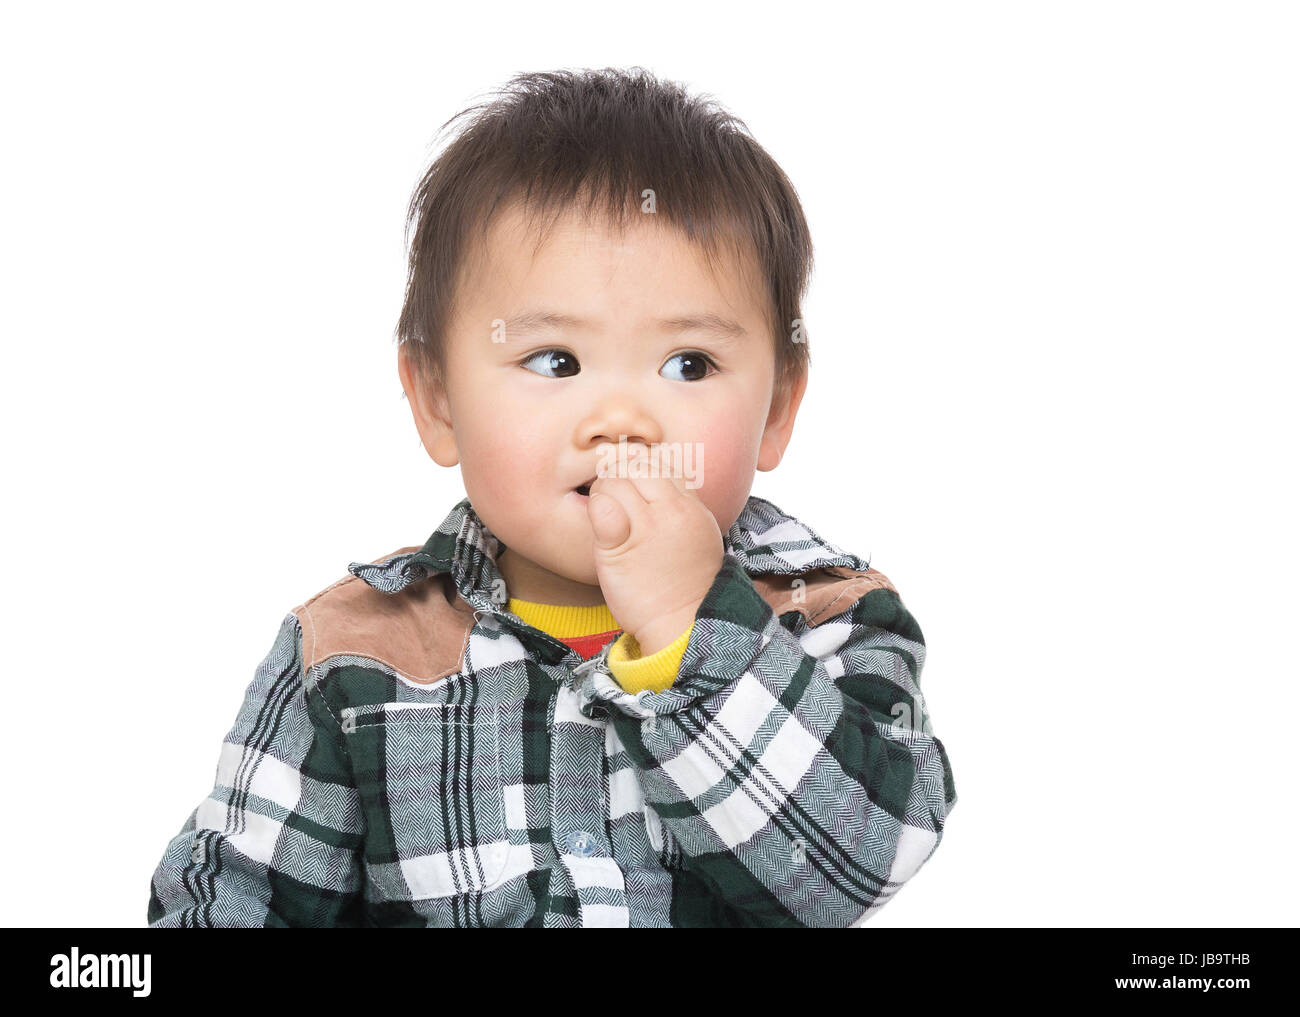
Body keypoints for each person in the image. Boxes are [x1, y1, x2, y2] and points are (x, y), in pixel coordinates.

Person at [146, 66, 957, 928]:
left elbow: (859, 864)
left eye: (689, 365)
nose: (621, 420)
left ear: (778, 407)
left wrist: (693, 632)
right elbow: (227, 898)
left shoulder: (827, 618)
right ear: (437, 399)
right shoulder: (350, 655)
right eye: (555, 361)